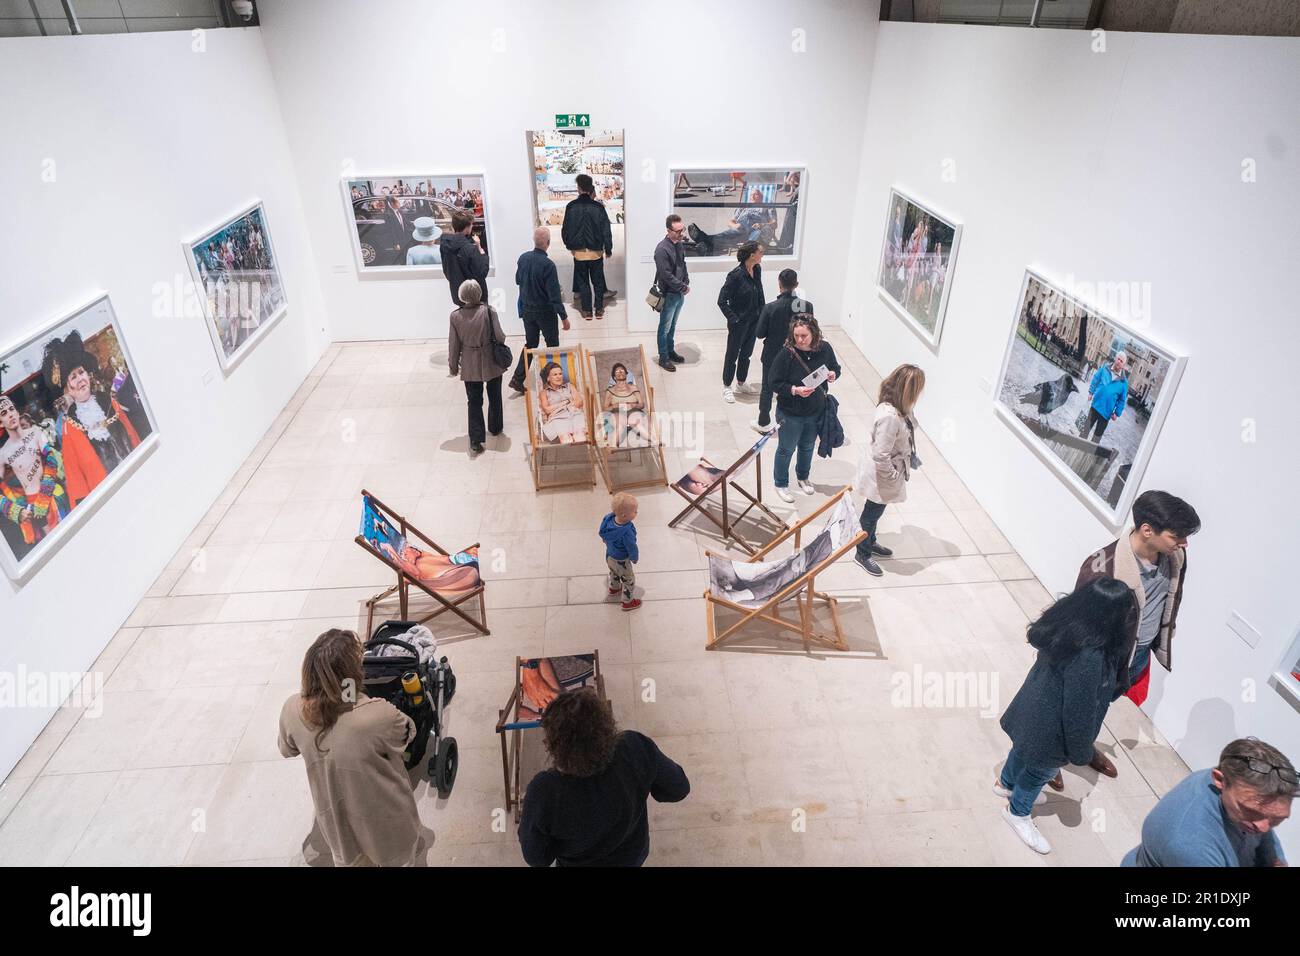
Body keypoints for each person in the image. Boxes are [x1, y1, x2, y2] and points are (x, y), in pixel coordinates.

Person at [1048, 490, 1199, 790]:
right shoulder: (1102, 567)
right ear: (1147, 530)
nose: (1184, 542)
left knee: (1103, 702)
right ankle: (1049, 758)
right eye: (1177, 535)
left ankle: (1082, 747)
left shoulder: (1175, 557)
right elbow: (1079, 624)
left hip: (1137, 653)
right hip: (1104, 656)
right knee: (1073, 703)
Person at [996, 578, 1138, 854]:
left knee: (1022, 750)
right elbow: (1079, 710)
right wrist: (1080, 751)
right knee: (1039, 772)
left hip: (1033, 709)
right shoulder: (1091, 656)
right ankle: (1017, 812)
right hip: (1052, 729)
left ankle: (1005, 783)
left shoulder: (1065, 626)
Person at [277, 628, 423, 867]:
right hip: (388, 826)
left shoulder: (291, 709)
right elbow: (408, 733)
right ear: (354, 674)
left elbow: (287, 749)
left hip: (338, 829)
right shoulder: (377, 714)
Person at [519, 689, 689, 866]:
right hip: (631, 858)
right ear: (606, 723)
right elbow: (678, 789)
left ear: (554, 745)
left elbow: (537, 858)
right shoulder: (634, 747)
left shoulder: (545, 791)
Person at [1123, 738, 1293, 867]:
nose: (1263, 827)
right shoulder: (1190, 844)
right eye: (1251, 812)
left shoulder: (1241, 789)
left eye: (1276, 818)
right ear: (1220, 780)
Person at [41, 331, 142, 507]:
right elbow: (75, 479)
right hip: (110, 499)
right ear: (68, 389)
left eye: (81, 373)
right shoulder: (68, 428)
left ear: (88, 374)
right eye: (73, 377)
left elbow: (133, 436)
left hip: (136, 476)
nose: (80, 379)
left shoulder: (109, 402)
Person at [851, 364, 925, 576]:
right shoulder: (889, 416)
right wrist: (892, 476)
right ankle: (862, 553)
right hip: (882, 475)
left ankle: (870, 541)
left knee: (876, 511)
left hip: (888, 472)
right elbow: (880, 454)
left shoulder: (900, 408)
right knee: (871, 514)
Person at [767, 315, 840, 503]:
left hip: (815, 410)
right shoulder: (787, 354)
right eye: (796, 335)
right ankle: (781, 483)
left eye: (804, 336)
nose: (799, 340)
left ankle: (802, 476)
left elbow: (835, 368)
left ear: (814, 333)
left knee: (807, 446)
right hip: (790, 413)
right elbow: (773, 382)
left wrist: (833, 374)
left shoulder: (825, 348)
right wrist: (794, 390)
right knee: (786, 449)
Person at [447, 280, 508, 456]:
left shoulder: (455, 316)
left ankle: (475, 439)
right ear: (479, 293)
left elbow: (453, 344)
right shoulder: (489, 311)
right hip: (491, 359)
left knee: (474, 401)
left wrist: (453, 366)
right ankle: (495, 427)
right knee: (495, 395)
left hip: (469, 362)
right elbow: (500, 336)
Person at [0, 394, 69, 549]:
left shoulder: (36, 432)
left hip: (54, 495)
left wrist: (44, 497)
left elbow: (51, 460)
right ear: (1, 422)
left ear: (17, 412)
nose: (10, 414)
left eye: (11, 409)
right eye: (3, 413)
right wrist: (16, 511)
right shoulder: (3, 453)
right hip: (35, 509)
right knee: (57, 547)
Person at [509, 227, 570, 394]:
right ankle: (552, 382)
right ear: (548, 243)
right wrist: (564, 317)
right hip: (545, 312)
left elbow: (517, 280)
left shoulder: (523, 258)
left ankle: (517, 378)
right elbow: (554, 295)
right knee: (552, 346)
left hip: (528, 311)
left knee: (531, 344)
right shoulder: (548, 265)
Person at [753, 269, 813, 433]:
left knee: (767, 388)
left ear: (779, 285)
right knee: (794, 387)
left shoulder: (770, 308)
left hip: (773, 355)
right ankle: (790, 422)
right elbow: (811, 331)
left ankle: (763, 422)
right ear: (796, 285)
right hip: (798, 356)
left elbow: (759, 334)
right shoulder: (807, 306)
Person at [718, 241, 765, 403]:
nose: (762, 255)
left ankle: (741, 382)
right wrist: (734, 319)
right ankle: (726, 386)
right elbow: (722, 301)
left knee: (747, 353)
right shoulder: (735, 275)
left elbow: (760, 292)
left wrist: (762, 314)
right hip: (739, 323)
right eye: (761, 252)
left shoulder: (757, 269)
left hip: (753, 321)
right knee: (732, 354)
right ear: (752, 255)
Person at [560, 173, 613, 319]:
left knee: (583, 282)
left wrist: (569, 244)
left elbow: (565, 229)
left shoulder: (571, 207)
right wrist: (608, 248)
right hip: (596, 251)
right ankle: (599, 309)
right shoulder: (598, 207)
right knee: (598, 281)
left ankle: (587, 311)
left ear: (578, 188)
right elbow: (606, 229)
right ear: (590, 188)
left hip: (578, 252)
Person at [687, 187, 776, 255]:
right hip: (741, 229)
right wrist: (734, 225)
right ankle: (705, 242)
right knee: (725, 235)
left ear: (761, 196)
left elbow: (774, 224)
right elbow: (731, 221)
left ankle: (703, 240)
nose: (752, 196)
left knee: (732, 237)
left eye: (755, 194)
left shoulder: (767, 206)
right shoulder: (744, 206)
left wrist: (762, 224)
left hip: (756, 230)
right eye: (751, 195)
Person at [653, 214, 690, 372]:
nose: (682, 234)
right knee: (665, 327)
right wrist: (682, 287)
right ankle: (663, 357)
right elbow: (666, 275)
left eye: (683, 230)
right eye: (678, 231)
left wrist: (686, 281)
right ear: (669, 230)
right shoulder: (661, 249)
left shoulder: (679, 244)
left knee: (672, 325)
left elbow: (683, 264)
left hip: (679, 293)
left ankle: (670, 350)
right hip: (669, 294)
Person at [599, 491, 640, 611]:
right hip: (622, 559)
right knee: (629, 580)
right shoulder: (627, 531)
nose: (636, 513)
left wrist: (604, 539)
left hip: (609, 556)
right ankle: (628, 602)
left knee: (614, 573)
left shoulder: (608, 519)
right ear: (624, 516)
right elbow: (632, 546)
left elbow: (602, 532)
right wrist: (634, 557)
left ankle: (614, 588)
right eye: (635, 511)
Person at [440, 210, 489, 307]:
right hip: (476, 296)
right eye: (471, 225)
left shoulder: (445, 245)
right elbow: (482, 272)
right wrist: (480, 248)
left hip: (458, 294)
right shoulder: (470, 248)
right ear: (467, 227)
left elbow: (446, 271)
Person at [1081, 351, 1129, 442]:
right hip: (1096, 405)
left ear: (1123, 365)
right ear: (1115, 358)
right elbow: (1096, 379)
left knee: (1096, 439)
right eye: (1118, 359)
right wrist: (1091, 392)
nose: (1119, 361)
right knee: (1084, 431)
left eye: (1121, 361)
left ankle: (1087, 455)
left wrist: (1117, 413)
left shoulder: (1124, 382)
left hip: (1106, 413)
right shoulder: (1105, 368)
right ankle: (1076, 448)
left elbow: (1122, 400)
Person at [600, 363, 651, 447]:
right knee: (620, 424)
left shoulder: (633, 388)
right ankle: (613, 445)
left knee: (636, 422)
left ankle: (653, 440)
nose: (620, 372)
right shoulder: (610, 390)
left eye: (622, 370)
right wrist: (614, 406)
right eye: (617, 371)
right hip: (617, 412)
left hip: (633, 410)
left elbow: (642, 404)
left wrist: (633, 405)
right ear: (614, 377)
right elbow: (605, 408)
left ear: (626, 374)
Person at [538, 362, 587, 444]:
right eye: (555, 374)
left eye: (560, 374)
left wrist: (555, 408)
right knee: (566, 439)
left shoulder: (569, 386)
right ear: (548, 378)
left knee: (580, 436)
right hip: (557, 419)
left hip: (575, 415)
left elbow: (579, 402)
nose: (558, 377)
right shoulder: (544, 392)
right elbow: (546, 409)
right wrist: (566, 402)